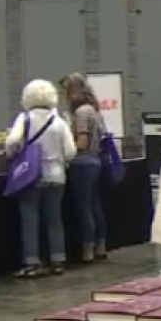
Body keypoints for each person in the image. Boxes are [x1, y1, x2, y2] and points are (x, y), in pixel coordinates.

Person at [6, 80, 77, 278]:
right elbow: (71, 151)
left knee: (30, 218)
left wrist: (13, 153)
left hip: (31, 175)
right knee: (54, 218)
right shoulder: (59, 121)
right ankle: (58, 260)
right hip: (56, 175)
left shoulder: (24, 118)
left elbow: (13, 141)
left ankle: (32, 262)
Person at [60, 73, 109, 263]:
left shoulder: (81, 113)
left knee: (84, 207)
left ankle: (87, 248)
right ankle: (100, 245)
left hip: (82, 163)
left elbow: (81, 142)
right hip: (95, 162)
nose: (64, 95)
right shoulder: (94, 111)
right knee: (95, 205)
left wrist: (66, 146)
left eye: (66, 90)